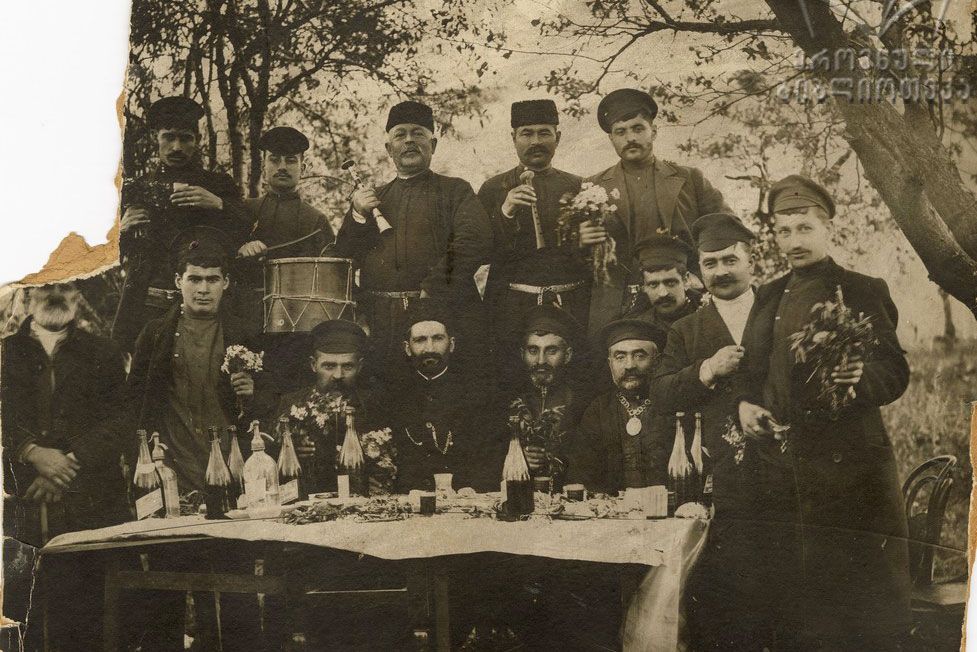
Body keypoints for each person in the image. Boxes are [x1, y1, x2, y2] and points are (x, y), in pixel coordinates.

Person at [732, 175, 911, 650]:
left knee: (852, 603)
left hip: (848, 471)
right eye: (783, 230)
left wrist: (858, 379)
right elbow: (751, 373)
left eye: (804, 228)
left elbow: (894, 371)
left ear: (827, 227)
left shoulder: (860, 289)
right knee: (792, 598)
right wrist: (746, 407)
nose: (793, 241)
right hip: (781, 469)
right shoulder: (767, 296)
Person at [1, 283, 128, 652]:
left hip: (87, 501)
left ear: (79, 293)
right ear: (27, 292)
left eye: (66, 285)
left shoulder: (103, 352)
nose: (56, 294)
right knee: (21, 613)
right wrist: (30, 453)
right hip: (19, 503)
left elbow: (120, 420)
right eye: (46, 285)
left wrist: (70, 463)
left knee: (85, 612)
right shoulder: (5, 354)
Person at [335, 100, 492, 371]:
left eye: (418, 133)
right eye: (400, 134)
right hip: (384, 324)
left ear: (433, 145)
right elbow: (343, 260)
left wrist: (432, 289)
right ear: (389, 149)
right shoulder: (374, 200)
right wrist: (358, 216)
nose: (409, 141)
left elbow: (474, 241)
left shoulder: (456, 191)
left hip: (445, 316)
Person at [581, 88, 729, 332]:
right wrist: (581, 241)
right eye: (621, 132)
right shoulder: (593, 187)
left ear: (654, 131)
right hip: (618, 304)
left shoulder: (689, 179)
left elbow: (723, 229)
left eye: (638, 128)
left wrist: (699, 277)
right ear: (612, 139)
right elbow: (581, 260)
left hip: (682, 296)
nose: (630, 138)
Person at [113, 96, 250, 352]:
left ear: (197, 140)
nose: (177, 147)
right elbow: (109, 257)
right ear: (156, 137)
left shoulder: (218, 185)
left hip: (205, 302)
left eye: (186, 138)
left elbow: (246, 231)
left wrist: (219, 204)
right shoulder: (136, 189)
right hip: (148, 303)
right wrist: (121, 231)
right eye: (169, 137)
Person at [127, 239, 258, 493]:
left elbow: (267, 398)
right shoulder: (155, 334)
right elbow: (134, 399)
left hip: (229, 458)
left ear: (226, 283)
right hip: (174, 459)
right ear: (179, 282)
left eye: (212, 280)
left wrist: (252, 389)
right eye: (194, 279)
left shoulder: (243, 333)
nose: (203, 289)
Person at [477, 99, 588, 366]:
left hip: (568, 306)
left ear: (558, 137)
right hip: (512, 308)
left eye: (544, 133)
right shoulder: (493, 188)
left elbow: (589, 260)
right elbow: (480, 250)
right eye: (526, 133)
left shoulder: (579, 187)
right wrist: (506, 211)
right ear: (513, 138)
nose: (535, 141)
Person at [236, 126, 338, 404]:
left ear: (302, 167)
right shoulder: (244, 212)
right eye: (275, 159)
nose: (282, 167)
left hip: (298, 336)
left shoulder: (316, 221)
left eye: (291, 160)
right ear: (263, 164)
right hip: (247, 332)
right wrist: (240, 249)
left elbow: (330, 285)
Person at [388, 299, 501, 493]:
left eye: (438, 338)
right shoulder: (393, 395)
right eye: (420, 340)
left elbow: (490, 457)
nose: (430, 348)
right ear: (407, 348)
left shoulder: (478, 393)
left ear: (452, 344)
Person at [271, 319, 392, 495]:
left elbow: (388, 458)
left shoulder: (374, 404)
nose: (338, 375)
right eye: (329, 366)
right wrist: (292, 449)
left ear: (360, 366)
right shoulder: (291, 404)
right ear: (313, 365)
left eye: (347, 366)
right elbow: (270, 459)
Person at [567, 319, 669, 493]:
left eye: (639, 356)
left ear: (657, 361)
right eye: (620, 357)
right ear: (610, 364)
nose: (629, 365)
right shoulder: (598, 410)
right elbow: (582, 473)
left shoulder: (672, 403)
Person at [504, 304, 592, 488]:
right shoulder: (506, 400)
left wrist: (553, 458)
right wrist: (518, 457)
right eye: (533, 351)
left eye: (552, 351)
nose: (541, 361)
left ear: (567, 355)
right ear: (522, 354)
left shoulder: (583, 403)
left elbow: (591, 461)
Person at [626, 234, 702, 331]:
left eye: (670, 283)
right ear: (644, 287)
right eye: (653, 284)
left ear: (686, 280)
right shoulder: (639, 328)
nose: (663, 293)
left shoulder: (708, 314)